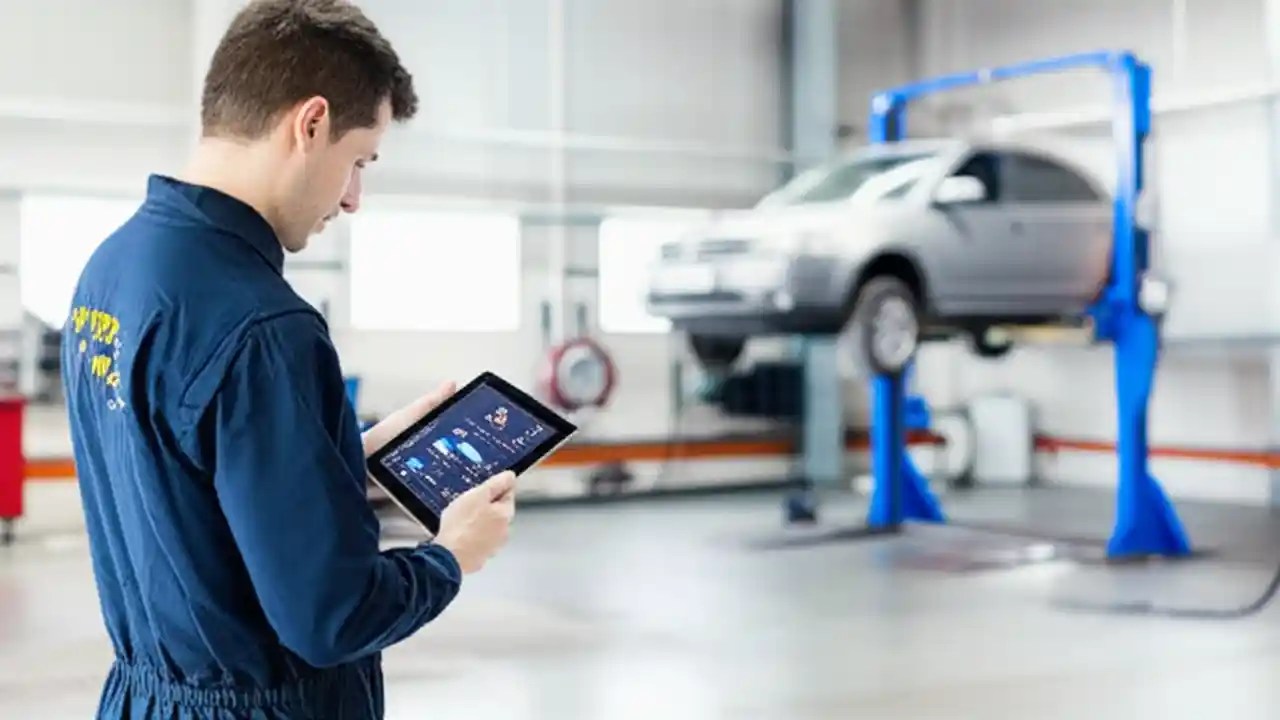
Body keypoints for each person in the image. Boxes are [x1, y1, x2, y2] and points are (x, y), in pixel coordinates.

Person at [60, 1, 516, 717]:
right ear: (310, 125)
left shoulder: (113, 269)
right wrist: (451, 555)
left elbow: (186, 490)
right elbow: (330, 618)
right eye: (358, 160)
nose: (355, 198)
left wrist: (340, 458)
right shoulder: (265, 325)